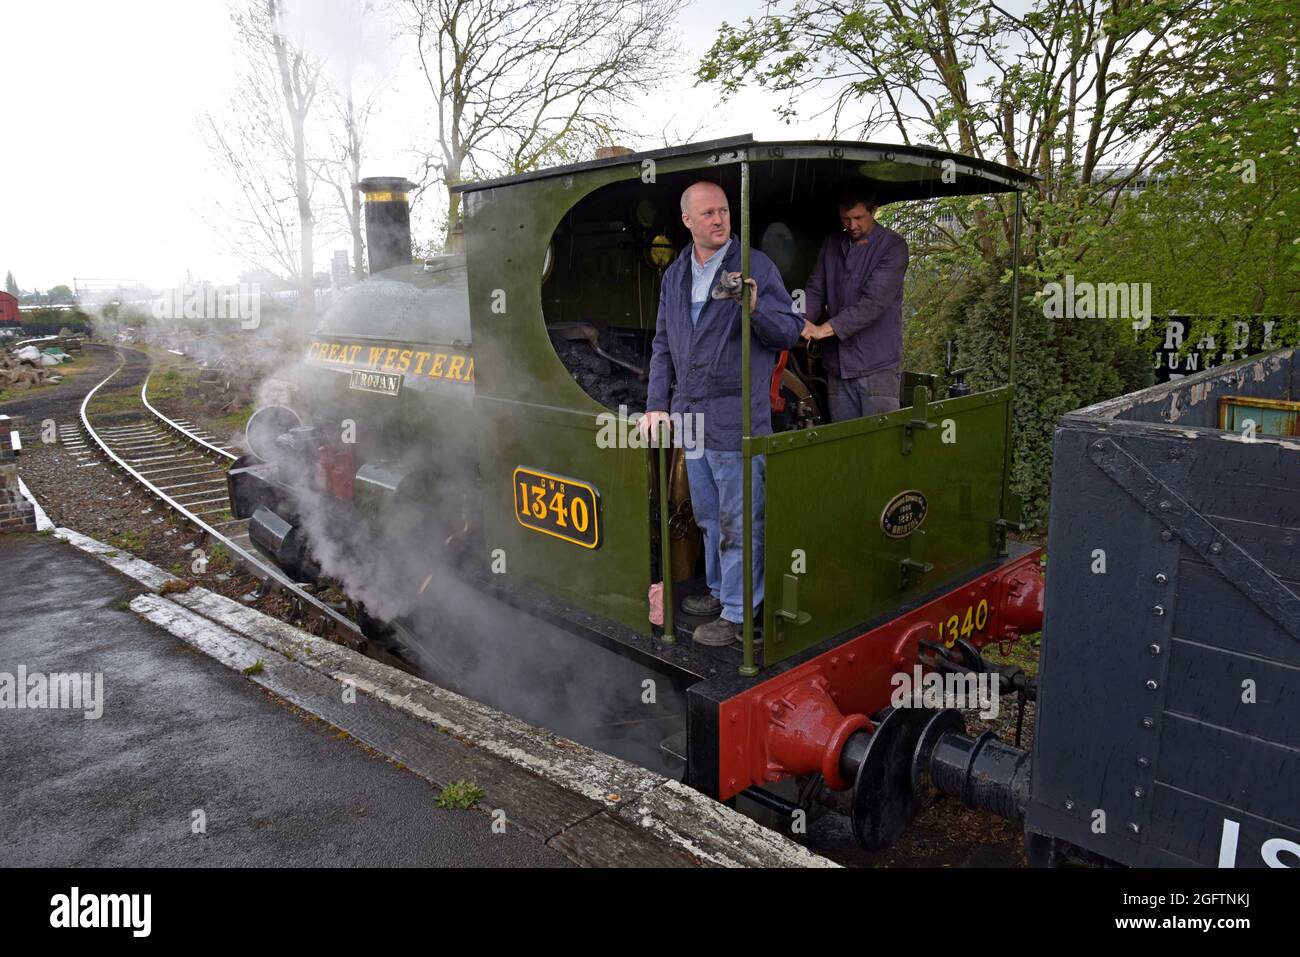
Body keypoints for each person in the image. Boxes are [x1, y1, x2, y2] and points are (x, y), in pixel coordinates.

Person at [642, 181, 803, 647]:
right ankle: (717, 591)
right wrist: (656, 404)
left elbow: (790, 331)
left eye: (725, 211)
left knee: (739, 521)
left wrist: (753, 306)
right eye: (709, 213)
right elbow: (661, 346)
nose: (719, 220)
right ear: (688, 221)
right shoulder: (675, 276)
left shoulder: (754, 266)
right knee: (709, 516)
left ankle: (737, 614)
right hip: (691, 419)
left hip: (737, 418)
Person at [802, 192, 910, 421]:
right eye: (845, 219)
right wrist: (796, 322)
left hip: (877, 367)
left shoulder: (894, 247)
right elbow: (814, 289)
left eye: (859, 217)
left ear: (873, 211)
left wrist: (822, 329)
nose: (852, 225)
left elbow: (872, 304)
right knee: (844, 445)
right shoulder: (832, 244)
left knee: (879, 445)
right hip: (837, 367)